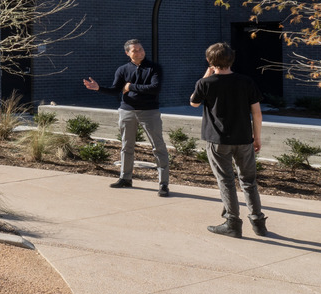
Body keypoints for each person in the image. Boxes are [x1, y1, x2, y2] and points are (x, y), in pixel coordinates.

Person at [189, 41, 267, 237]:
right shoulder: (246, 81)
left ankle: (232, 223)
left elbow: (194, 103)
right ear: (232, 59)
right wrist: (256, 137)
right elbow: (257, 114)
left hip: (218, 140)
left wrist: (206, 76)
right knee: (249, 181)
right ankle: (258, 222)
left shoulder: (204, 83)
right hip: (244, 139)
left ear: (209, 61)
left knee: (226, 181)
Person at [83, 38, 170, 196]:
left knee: (158, 147)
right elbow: (116, 90)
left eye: (141, 49)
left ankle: (163, 184)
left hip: (149, 112)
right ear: (127, 53)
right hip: (127, 111)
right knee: (126, 146)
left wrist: (130, 86)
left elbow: (155, 88)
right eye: (135, 50)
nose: (139, 52)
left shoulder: (155, 68)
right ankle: (125, 178)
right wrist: (98, 88)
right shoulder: (122, 69)